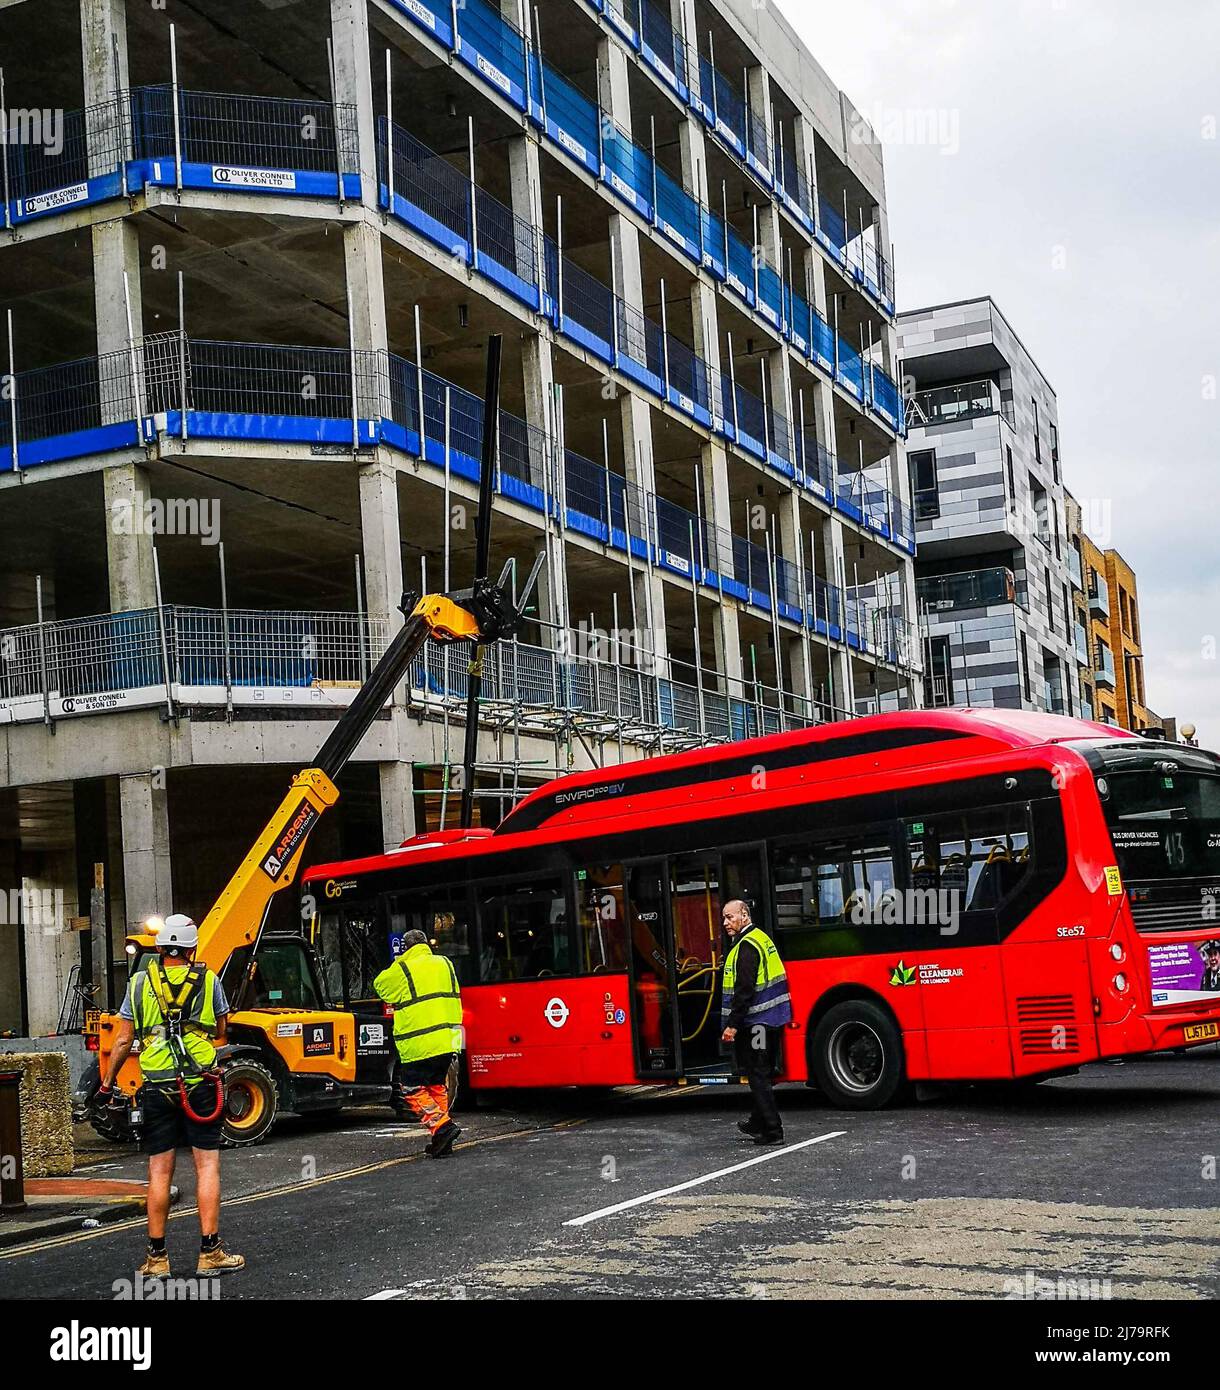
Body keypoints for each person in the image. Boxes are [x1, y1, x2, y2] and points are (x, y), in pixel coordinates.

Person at [96, 914, 244, 1278]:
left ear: (160, 949)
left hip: (157, 1086)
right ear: (192, 949)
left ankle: (157, 1258)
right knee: (206, 1165)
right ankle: (210, 1252)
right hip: (200, 1083)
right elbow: (222, 1028)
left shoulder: (138, 983)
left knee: (159, 1171)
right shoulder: (208, 980)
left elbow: (123, 1039)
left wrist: (107, 1083)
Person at [374, 928, 464, 1157]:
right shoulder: (445, 963)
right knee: (436, 1087)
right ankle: (441, 1140)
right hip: (447, 1039)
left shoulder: (403, 968)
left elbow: (381, 986)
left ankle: (442, 1127)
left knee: (412, 1089)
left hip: (420, 1043)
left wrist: (400, 959)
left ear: (406, 948)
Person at [720, 899, 792, 1145]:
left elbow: (745, 990)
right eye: (724, 918)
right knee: (761, 1073)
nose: (725, 923)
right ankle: (758, 1121)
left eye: (730, 917)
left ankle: (773, 1131)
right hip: (770, 1019)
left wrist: (732, 1025)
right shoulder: (760, 937)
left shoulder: (747, 946)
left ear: (744, 915)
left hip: (757, 1023)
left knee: (758, 1074)